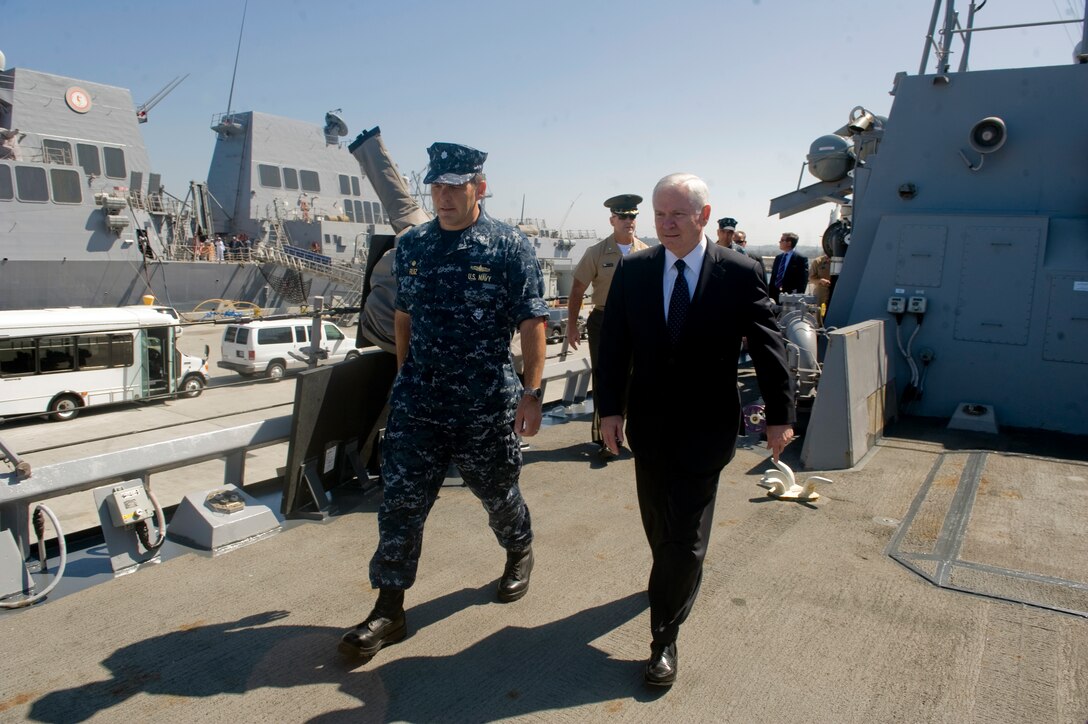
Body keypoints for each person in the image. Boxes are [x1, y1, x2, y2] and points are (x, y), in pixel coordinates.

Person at [339, 141, 550, 662]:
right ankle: (390, 608)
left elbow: (532, 323)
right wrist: (405, 377)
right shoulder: (414, 247)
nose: (444, 196)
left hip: (484, 402)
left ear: (478, 187)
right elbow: (403, 317)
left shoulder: (508, 246)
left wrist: (531, 393)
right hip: (420, 403)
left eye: (455, 186)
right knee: (401, 505)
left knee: (497, 492)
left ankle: (518, 548)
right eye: (436, 186)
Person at [597, 173, 795, 688]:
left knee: (684, 538)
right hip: (650, 426)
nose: (665, 224)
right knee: (660, 528)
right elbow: (614, 344)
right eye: (660, 215)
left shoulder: (738, 271)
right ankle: (673, 580)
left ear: (704, 217)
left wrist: (780, 416)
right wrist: (609, 411)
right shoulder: (635, 270)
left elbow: (770, 345)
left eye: (677, 215)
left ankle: (663, 637)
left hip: (708, 427)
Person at [566, 194, 648, 458]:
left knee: (636, 379)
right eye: (622, 217)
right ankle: (606, 439)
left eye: (632, 216)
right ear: (612, 220)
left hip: (637, 322)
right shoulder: (597, 252)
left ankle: (635, 434)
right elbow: (577, 289)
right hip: (604, 320)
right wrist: (571, 326)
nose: (628, 221)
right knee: (606, 379)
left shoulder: (646, 252)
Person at [768, 232, 808, 303]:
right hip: (774, 296)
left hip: (790, 297)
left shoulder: (800, 259)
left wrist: (798, 296)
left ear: (789, 243)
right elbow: (773, 278)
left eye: (782, 240)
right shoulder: (778, 258)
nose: (779, 242)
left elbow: (803, 280)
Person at [809, 252, 832, 323]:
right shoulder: (818, 262)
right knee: (820, 315)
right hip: (822, 295)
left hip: (836, 293)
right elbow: (811, 278)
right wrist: (820, 280)